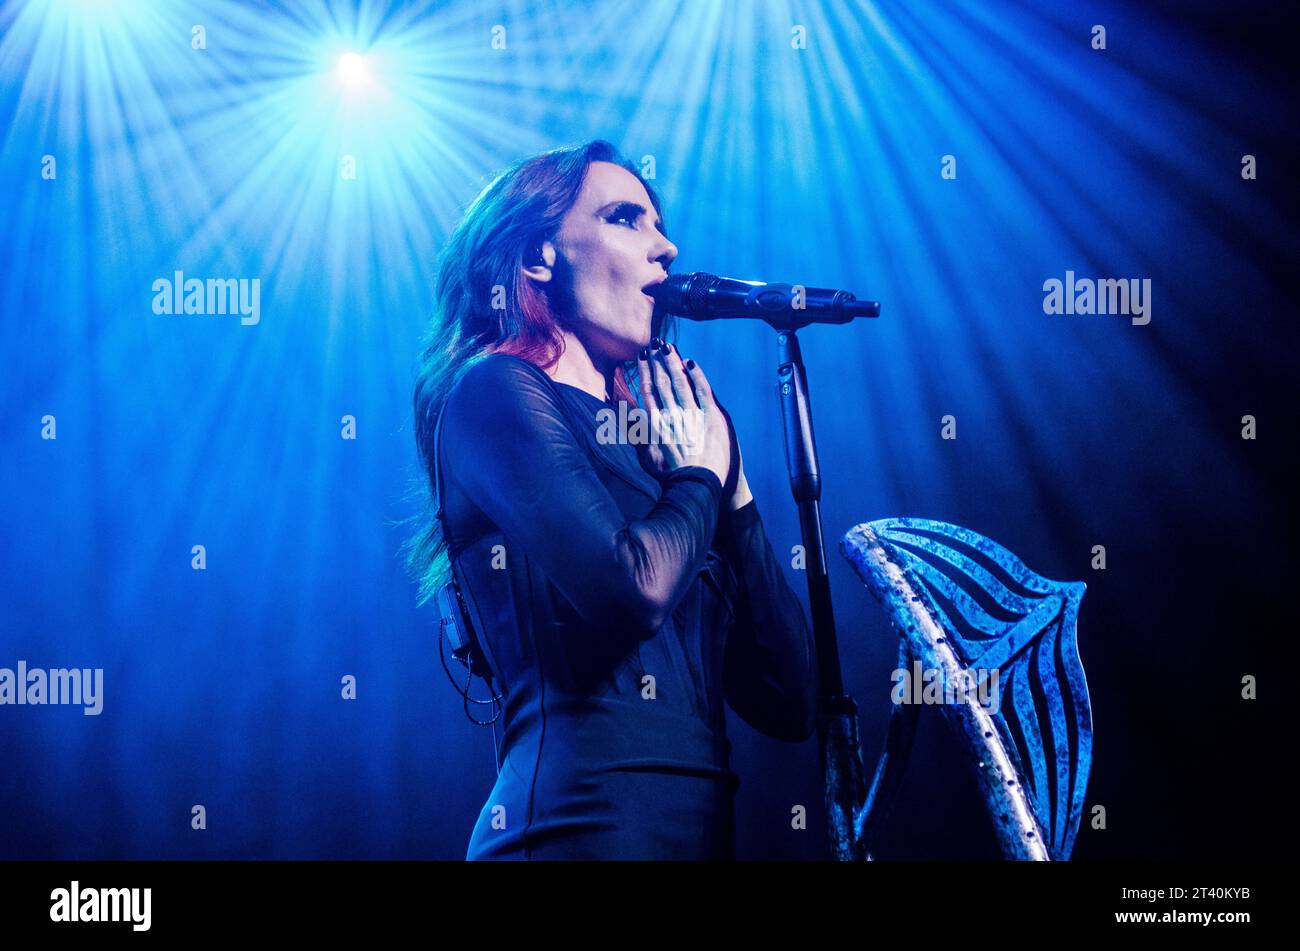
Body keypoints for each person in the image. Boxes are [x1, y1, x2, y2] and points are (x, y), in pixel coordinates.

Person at [406, 140, 818, 860]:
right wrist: (698, 477)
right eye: (626, 219)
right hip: (572, 831)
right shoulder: (493, 391)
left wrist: (734, 488)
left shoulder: (669, 442)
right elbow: (634, 589)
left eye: (660, 223)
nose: (668, 247)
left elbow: (791, 699)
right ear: (539, 257)